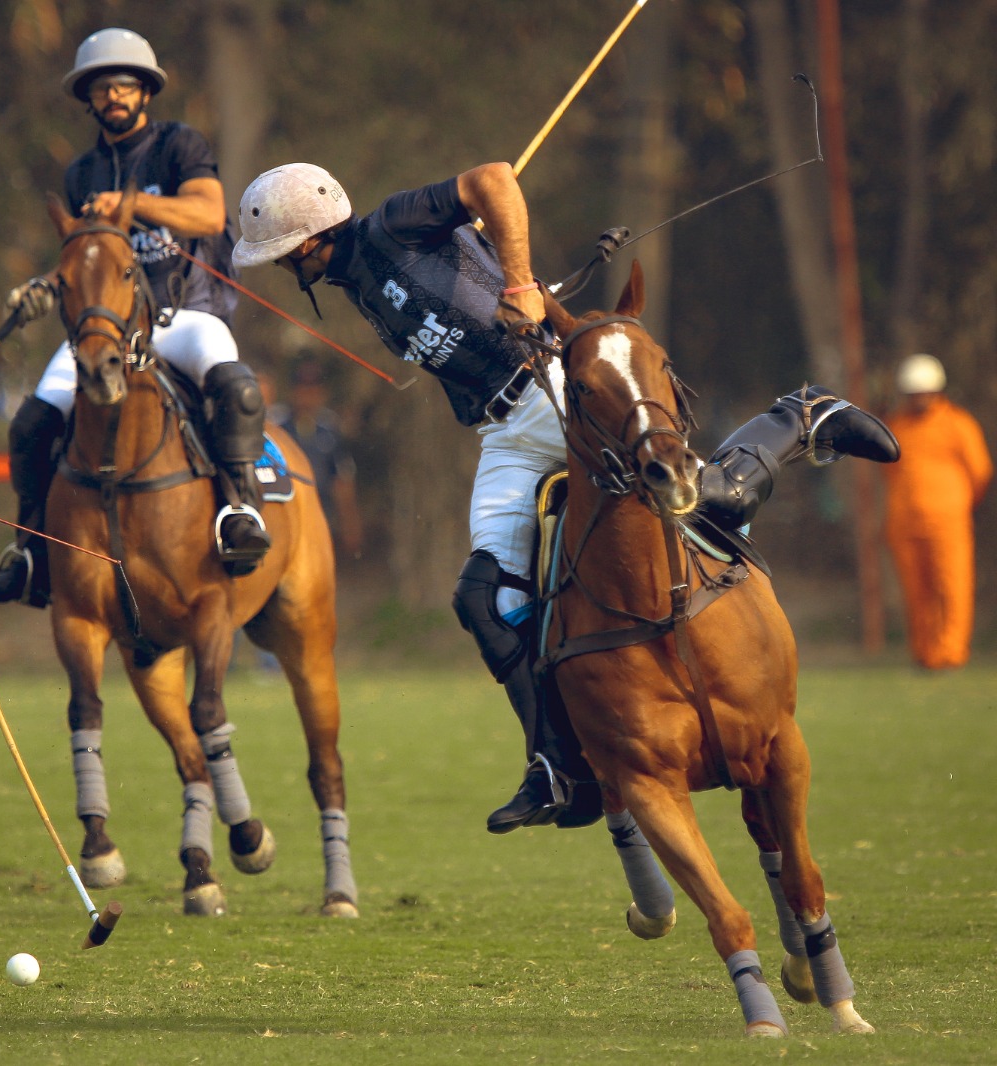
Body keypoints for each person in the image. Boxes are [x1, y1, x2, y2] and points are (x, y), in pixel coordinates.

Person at [231, 161, 900, 833]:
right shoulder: (352, 277)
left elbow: (494, 180)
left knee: (707, 499)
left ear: (309, 238)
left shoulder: (393, 225)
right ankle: (557, 765)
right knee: (484, 599)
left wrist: (520, 283)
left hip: (554, 387)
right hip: (503, 432)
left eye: (283, 254)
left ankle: (801, 415)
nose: (283, 268)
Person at [0, 27, 270, 608]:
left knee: (236, 388)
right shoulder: (81, 172)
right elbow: (83, 256)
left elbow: (209, 214)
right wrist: (45, 286)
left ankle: (240, 511)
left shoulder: (178, 145)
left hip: (184, 315)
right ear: (88, 98)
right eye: (102, 87)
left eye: (124, 85)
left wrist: (130, 207)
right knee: (32, 422)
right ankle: (30, 550)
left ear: (145, 92)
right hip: (108, 327)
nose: (113, 95)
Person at [883, 354, 991, 671]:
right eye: (914, 393)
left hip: (948, 522)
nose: (920, 398)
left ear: (937, 391)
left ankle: (952, 653)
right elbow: (889, 471)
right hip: (905, 522)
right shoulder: (897, 426)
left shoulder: (958, 423)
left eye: (925, 392)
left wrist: (956, 503)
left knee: (953, 587)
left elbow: (980, 471)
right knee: (917, 590)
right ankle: (925, 653)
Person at [272, 359, 364, 558]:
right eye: (303, 389)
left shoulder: (330, 429)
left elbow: (342, 480)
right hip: (286, 514)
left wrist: (350, 524)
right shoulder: (279, 428)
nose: (308, 395)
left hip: (320, 514)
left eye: (313, 389)